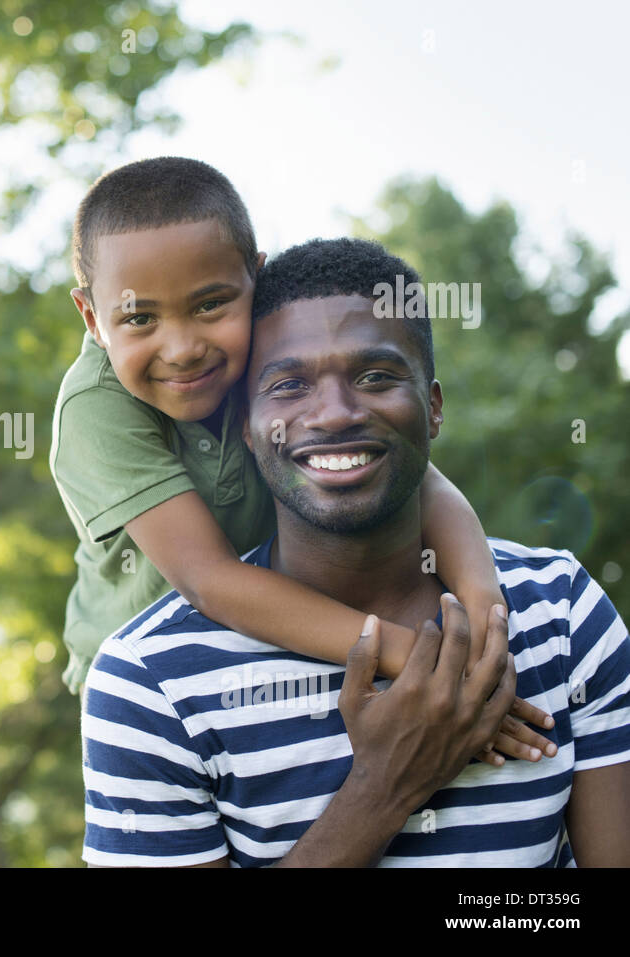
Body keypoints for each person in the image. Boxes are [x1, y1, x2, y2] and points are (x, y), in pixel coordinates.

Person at [80, 238, 630, 866]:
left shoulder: (559, 614)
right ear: (244, 425)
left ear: (433, 408)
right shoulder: (148, 684)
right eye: (288, 385)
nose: (335, 414)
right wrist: (385, 787)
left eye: (375, 377)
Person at [50, 157, 552, 763]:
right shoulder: (95, 407)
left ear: (253, 280)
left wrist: (483, 619)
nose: (182, 349)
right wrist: (430, 666)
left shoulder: (264, 355)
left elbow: (423, 477)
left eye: (211, 305)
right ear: (92, 318)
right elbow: (211, 581)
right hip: (161, 693)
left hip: (304, 633)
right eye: (139, 318)